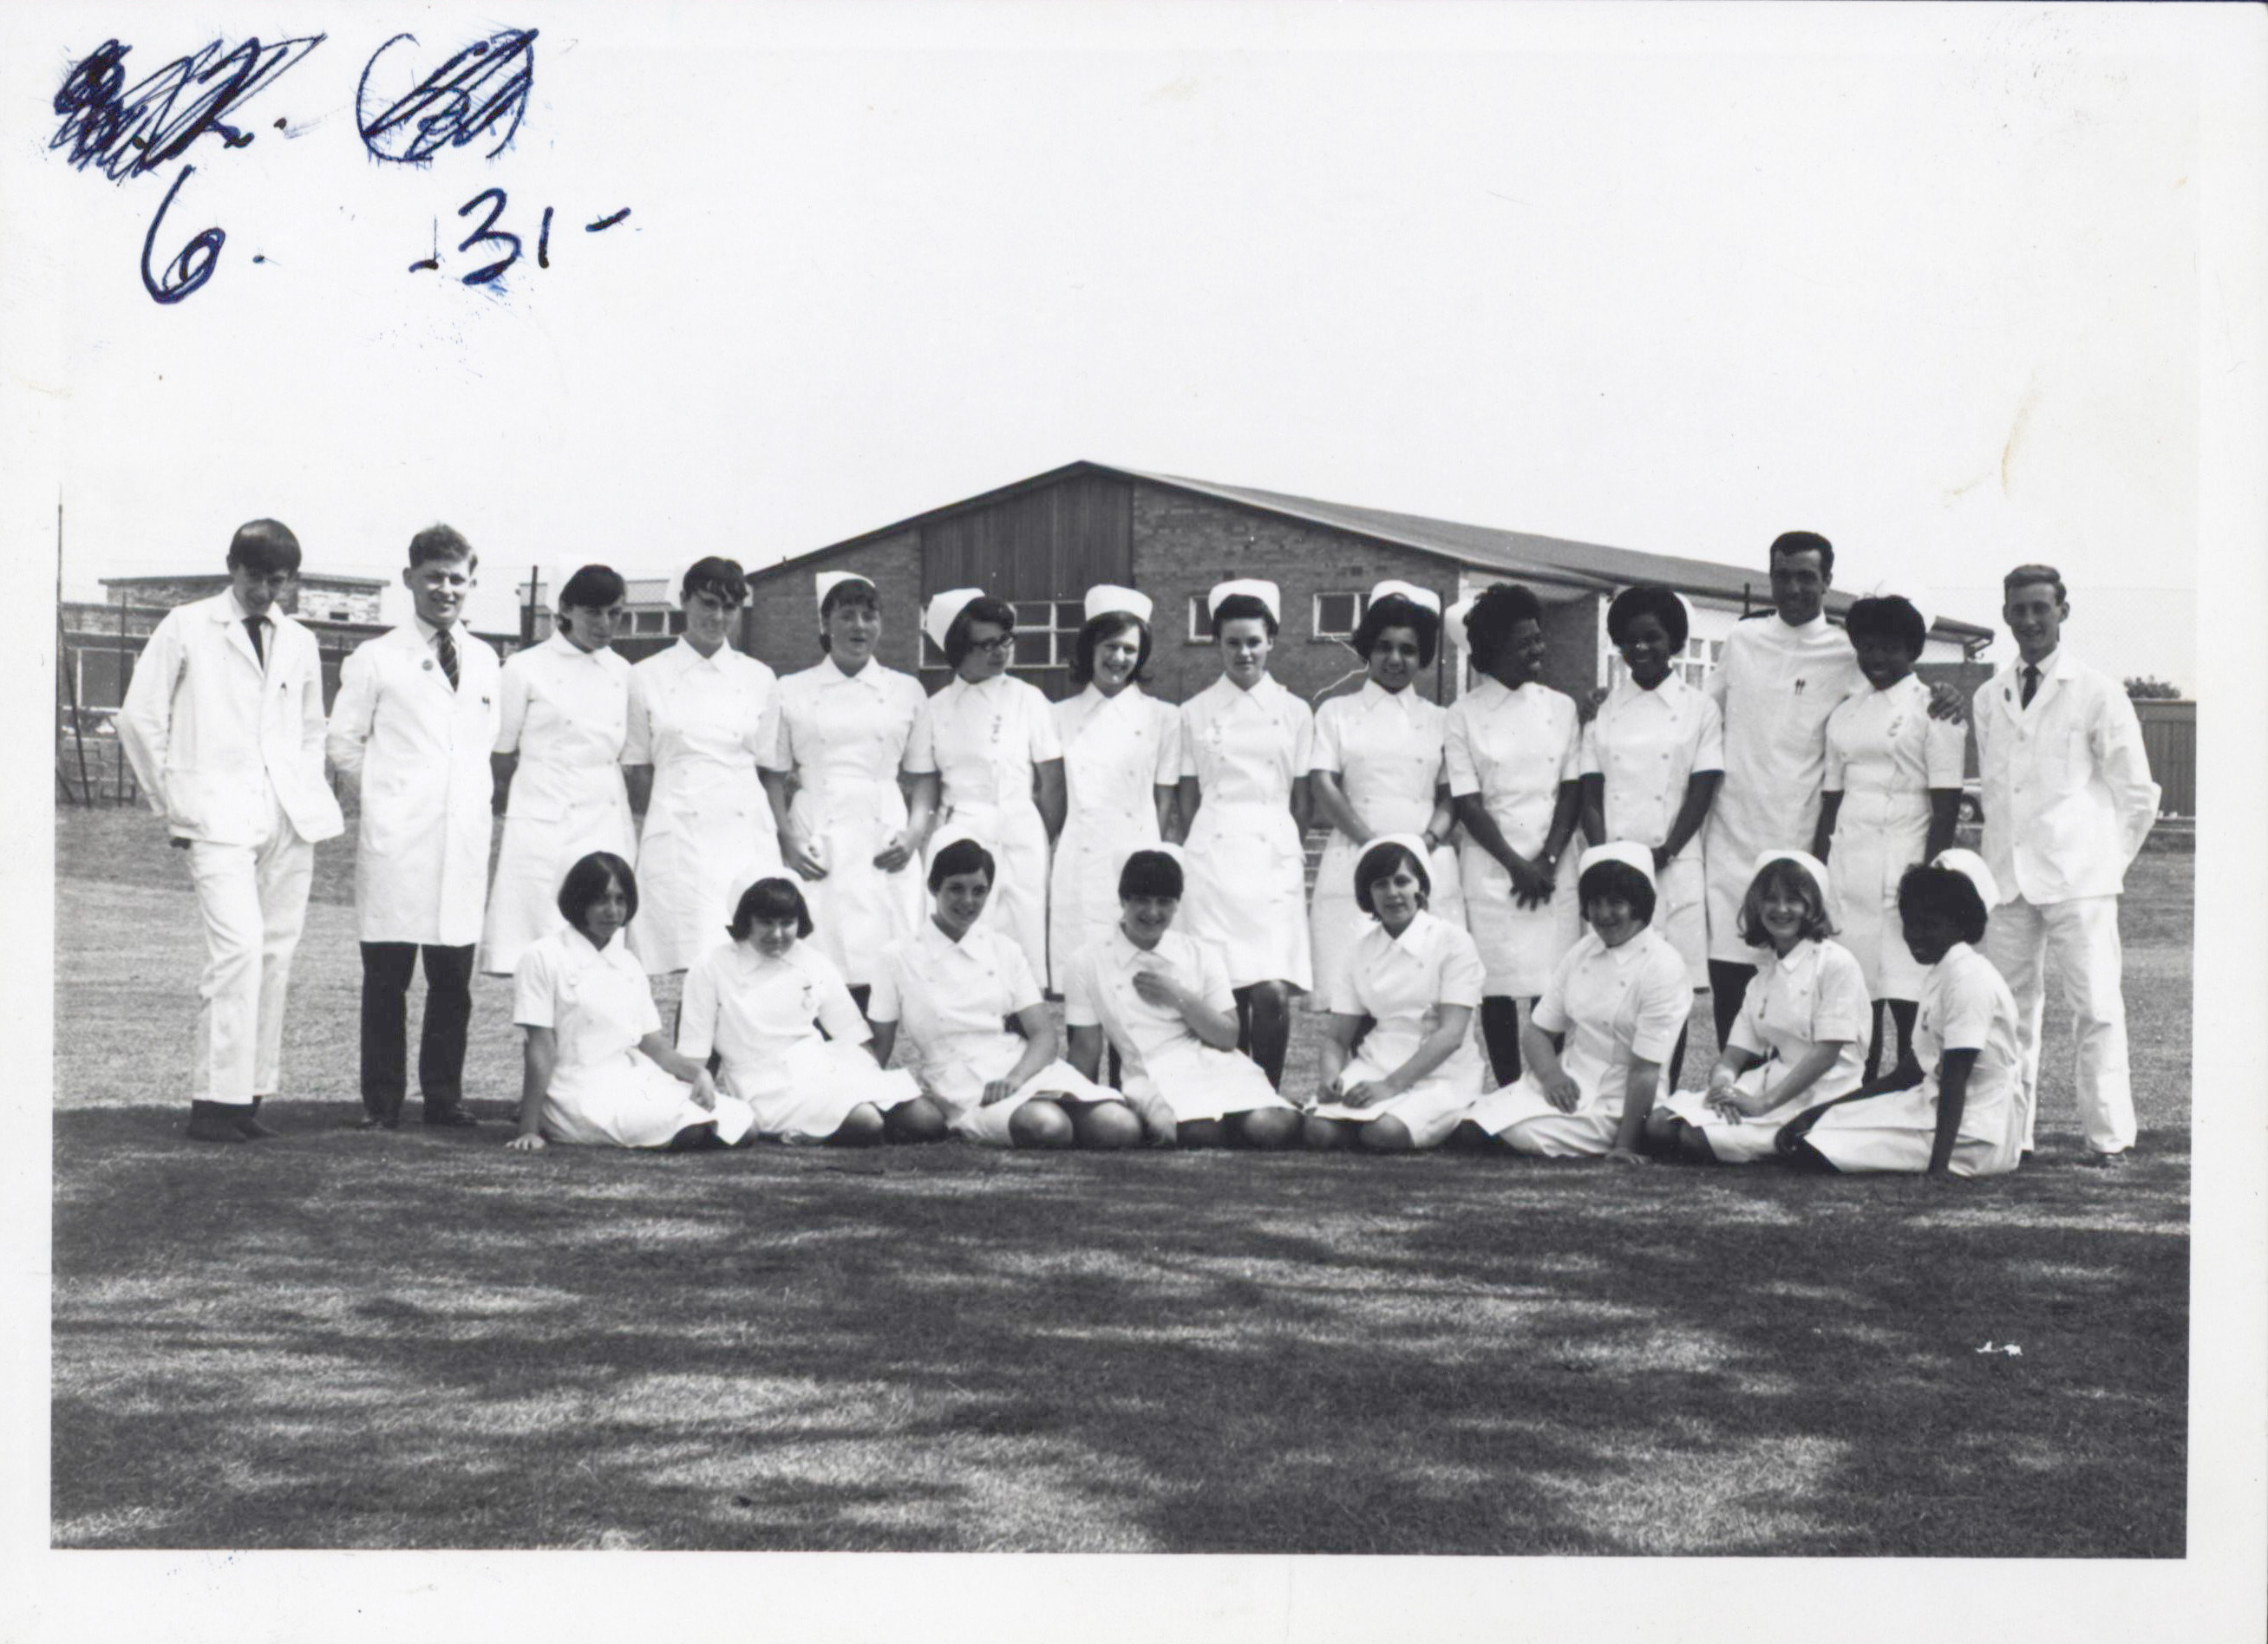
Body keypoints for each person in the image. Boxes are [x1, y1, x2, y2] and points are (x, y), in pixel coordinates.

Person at [116, 519, 346, 1143]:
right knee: (238, 950)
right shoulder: (186, 625)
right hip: (213, 816)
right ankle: (211, 1104)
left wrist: (302, 792)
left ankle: (247, 1098)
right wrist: (172, 803)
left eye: (279, 581)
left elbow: (311, 729)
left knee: (273, 955)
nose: (265, 592)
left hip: (287, 819)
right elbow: (139, 719)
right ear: (231, 567)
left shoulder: (299, 640)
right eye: (255, 577)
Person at [1700, 532, 1964, 1049]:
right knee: (1734, 985)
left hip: (1803, 843)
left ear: (1827, 582)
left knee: (1809, 990)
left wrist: (1946, 694)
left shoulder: (1849, 651)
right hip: (1732, 839)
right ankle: (1738, 1086)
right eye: (1783, 576)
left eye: (1807, 577)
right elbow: (1700, 712)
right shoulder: (1741, 639)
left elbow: (1895, 689)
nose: (1794, 588)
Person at [1971, 564, 2160, 1167]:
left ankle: (2108, 1138)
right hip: (2008, 880)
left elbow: (2138, 794)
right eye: (2018, 609)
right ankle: (2010, 1136)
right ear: (2005, 614)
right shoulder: (1988, 696)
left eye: (2040, 608)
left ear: (2062, 612)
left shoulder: (2097, 691)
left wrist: (2105, 864)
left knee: (2096, 1008)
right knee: (2008, 1013)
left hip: (2081, 881)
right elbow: (1999, 791)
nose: (2029, 620)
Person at [326, 523, 500, 1131]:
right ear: (409, 579)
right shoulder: (376, 657)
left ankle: (443, 1098)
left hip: (461, 841)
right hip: (398, 842)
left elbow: (482, 746)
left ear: (471, 583)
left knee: (453, 982)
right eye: (433, 577)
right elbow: (344, 743)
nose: (445, 589)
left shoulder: (485, 659)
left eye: (456, 579)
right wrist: (386, 798)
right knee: (388, 980)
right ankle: (382, 1103)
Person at [1776, 851, 2027, 1178]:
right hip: (1932, 1108)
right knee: (1816, 1128)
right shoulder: (1941, 972)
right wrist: (1818, 1112)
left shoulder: (1968, 979)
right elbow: (1907, 1074)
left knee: (1814, 1148)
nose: (1916, 936)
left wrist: (1939, 1170)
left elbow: (1956, 1078)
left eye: (1930, 925)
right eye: (1910, 924)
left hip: (1974, 1134)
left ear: (1960, 925)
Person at [868, 837, 1127, 1148]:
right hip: (963, 1083)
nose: (968, 901)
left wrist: (1015, 1079)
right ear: (934, 888)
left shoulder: (1004, 949)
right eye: (956, 889)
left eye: (979, 891)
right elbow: (879, 1045)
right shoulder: (896, 956)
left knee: (1119, 1125)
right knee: (1049, 1126)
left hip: (1020, 1068)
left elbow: (1044, 1036)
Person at [761, 571, 938, 1011]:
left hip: (884, 832)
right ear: (825, 624)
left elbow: (924, 776)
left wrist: (914, 835)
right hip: (817, 831)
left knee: (885, 963)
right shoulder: (790, 689)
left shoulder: (906, 690)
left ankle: (876, 1052)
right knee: (818, 958)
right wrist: (787, 840)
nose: (859, 626)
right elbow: (773, 776)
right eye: (846, 616)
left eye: (869, 615)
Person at [505, 853, 756, 1151]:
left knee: (743, 1123)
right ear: (578, 900)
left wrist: (698, 1074)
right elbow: (540, 1047)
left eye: (620, 900)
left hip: (634, 1082)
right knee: (690, 1131)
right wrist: (529, 1129)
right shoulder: (543, 956)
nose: (612, 911)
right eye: (601, 900)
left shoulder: (628, 963)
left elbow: (653, 1045)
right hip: (575, 1094)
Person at [1811, 592, 1964, 1083]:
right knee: (1857, 999)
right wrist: (1819, 875)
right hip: (1849, 871)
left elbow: (1945, 808)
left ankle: (1913, 1095)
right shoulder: (1844, 714)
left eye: (1890, 648)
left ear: (1912, 650)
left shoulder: (1935, 710)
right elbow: (1831, 802)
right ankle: (1853, 1097)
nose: (1877, 658)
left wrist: (1928, 881)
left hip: (1906, 868)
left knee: (1908, 995)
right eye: (1868, 647)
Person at [1062, 846, 1302, 1149]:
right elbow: (1085, 1047)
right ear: (1123, 900)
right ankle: (1239, 1124)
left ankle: (1270, 1112)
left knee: (1271, 1127)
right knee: (1201, 1133)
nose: (1153, 913)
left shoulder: (1200, 953)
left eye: (1164, 902)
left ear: (1177, 905)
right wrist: (1082, 1110)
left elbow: (1228, 1036)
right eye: (1142, 900)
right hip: (1149, 1076)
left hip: (1214, 1064)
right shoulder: (1087, 961)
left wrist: (1177, 996)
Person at [1462, 842, 1689, 1162]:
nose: (1604, 915)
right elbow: (1537, 1032)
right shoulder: (1583, 951)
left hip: (1618, 1103)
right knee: (1471, 1125)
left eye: (1616, 903)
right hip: (1567, 1083)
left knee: (1510, 1133)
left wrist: (1625, 1145)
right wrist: (1552, 1077)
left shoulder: (1663, 966)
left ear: (1639, 904)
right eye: (1595, 903)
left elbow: (1645, 1070)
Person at [1578, 584, 1722, 1084]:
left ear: (1674, 642)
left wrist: (1666, 851)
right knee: (1612, 988)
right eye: (1630, 639)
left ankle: (1664, 1094)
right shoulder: (1604, 710)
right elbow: (1591, 791)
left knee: (1670, 990)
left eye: (1653, 638)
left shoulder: (1700, 708)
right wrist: (1605, 860)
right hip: (1613, 867)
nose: (1641, 648)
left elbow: (1702, 788)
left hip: (1673, 865)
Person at [1175, 579, 1314, 1087]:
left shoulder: (1295, 711)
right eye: (1232, 642)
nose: (1244, 652)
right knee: (1225, 991)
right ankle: (1235, 1095)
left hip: (1271, 855)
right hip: (1213, 856)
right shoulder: (1193, 711)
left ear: (1271, 640)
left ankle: (1268, 1094)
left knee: (1271, 991)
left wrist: (1281, 840)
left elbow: (1302, 798)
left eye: (1254, 641)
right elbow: (1188, 797)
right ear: (1217, 644)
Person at [1444, 581, 1582, 1086]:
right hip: (1493, 868)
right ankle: (1507, 1089)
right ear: (1494, 648)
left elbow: (1570, 789)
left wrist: (1547, 859)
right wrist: (1515, 864)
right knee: (1498, 989)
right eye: (1525, 643)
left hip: (1553, 864)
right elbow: (1468, 802)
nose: (1538, 649)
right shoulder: (1463, 714)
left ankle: (1548, 1084)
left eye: (1538, 638)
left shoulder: (1562, 708)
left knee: (1553, 987)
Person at [1647, 851, 1870, 1164]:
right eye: (1771, 899)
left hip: (1823, 1094)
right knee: (1657, 1124)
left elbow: (1826, 1055)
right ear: (1757, 906)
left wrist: (1762, 1104)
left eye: (1793, 900)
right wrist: (1722, 1087)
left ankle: (1791, 1141)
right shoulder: (1762, 979)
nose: (1781, 909)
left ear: (1813, 907)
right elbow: (1732, 1057)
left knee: (1691, 1138)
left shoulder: (1837, 963)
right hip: (1769, 1084)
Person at [676, 877, 935, 1145]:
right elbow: (694, 1048)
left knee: (927, 1123)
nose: (777, 934)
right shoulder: (711, 966)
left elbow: (851, 1033)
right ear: (747, 921)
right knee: (867, 1122)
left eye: (787, 923)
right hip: (764, 1086)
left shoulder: (812, 960)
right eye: (766, 922)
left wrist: (871, 1080)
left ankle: (848, 1120)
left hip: (824, 1068)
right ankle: (805, 1131)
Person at [622, 557, 782, 978]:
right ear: (684, 601)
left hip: (743, 833)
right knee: (693, 962)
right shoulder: (645, 676)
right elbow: (640, 767)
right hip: (680, 832)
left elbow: (767, 767)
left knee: (749, 959)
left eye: (729, 607)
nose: (718, 617)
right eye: (708, 603)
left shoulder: (760, 677)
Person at [1308, 580, 1463, 1004]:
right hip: (1355, 853)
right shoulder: (1336, 712)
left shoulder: (1441, 719)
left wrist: (1425, 842)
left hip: (1427, 859)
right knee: (1356, 992)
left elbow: (1451, 795)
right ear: (1367, 650)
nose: (1395, 659)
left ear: (1423, 656)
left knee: (1429, 988)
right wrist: (1372, 845)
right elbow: (1323, 782)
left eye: (1408, 650)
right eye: (1384, 647)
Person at [479, 564, 636, 977]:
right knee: (542, 943)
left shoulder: (624, 672)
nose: (605, 624)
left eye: (615, 613)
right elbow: (501, 753)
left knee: (602, 946)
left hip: (604, 816)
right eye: (593, 612)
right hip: (543, 821)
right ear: (565, 609)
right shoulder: (524, 668)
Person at [907, 589, 1064, 980]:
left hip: (1021, 830)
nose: (1001, 652)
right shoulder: (935, 708)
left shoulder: (1029, 699)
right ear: (958, 649)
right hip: (961, 830)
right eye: (987, 644)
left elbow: (1052, 784)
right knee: (964, 941)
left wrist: (1036, 833)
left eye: (1005, 640)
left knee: (1022, 941)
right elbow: (927, 786)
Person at [1304, 835, 1487, 1152]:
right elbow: (1337, 1038)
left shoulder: (1453, 941)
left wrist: (1390, 1087)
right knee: (1318, 1131)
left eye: (1402, 881)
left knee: (1383, 1134)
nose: (1392, 893)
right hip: (1376, 1065)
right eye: (1380, 885)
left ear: (1421, 887)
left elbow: (1451, 1036)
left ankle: (1451, 1115)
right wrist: (1329, 1077)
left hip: (1442, 1073)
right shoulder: (1359, 951)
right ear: (1368, 894)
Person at [1049, 585, 1180, 995]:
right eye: (1110, 646)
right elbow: (1054, 795)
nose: (1119, 658)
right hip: (1079, 858)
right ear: (1090, 647)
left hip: (1137, 853)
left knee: (1136, 984)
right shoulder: (1058, 716)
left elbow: (1163, 799)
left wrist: (1149, 854)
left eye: (1129, 649)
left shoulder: (1164, 717)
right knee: (1081, 985)